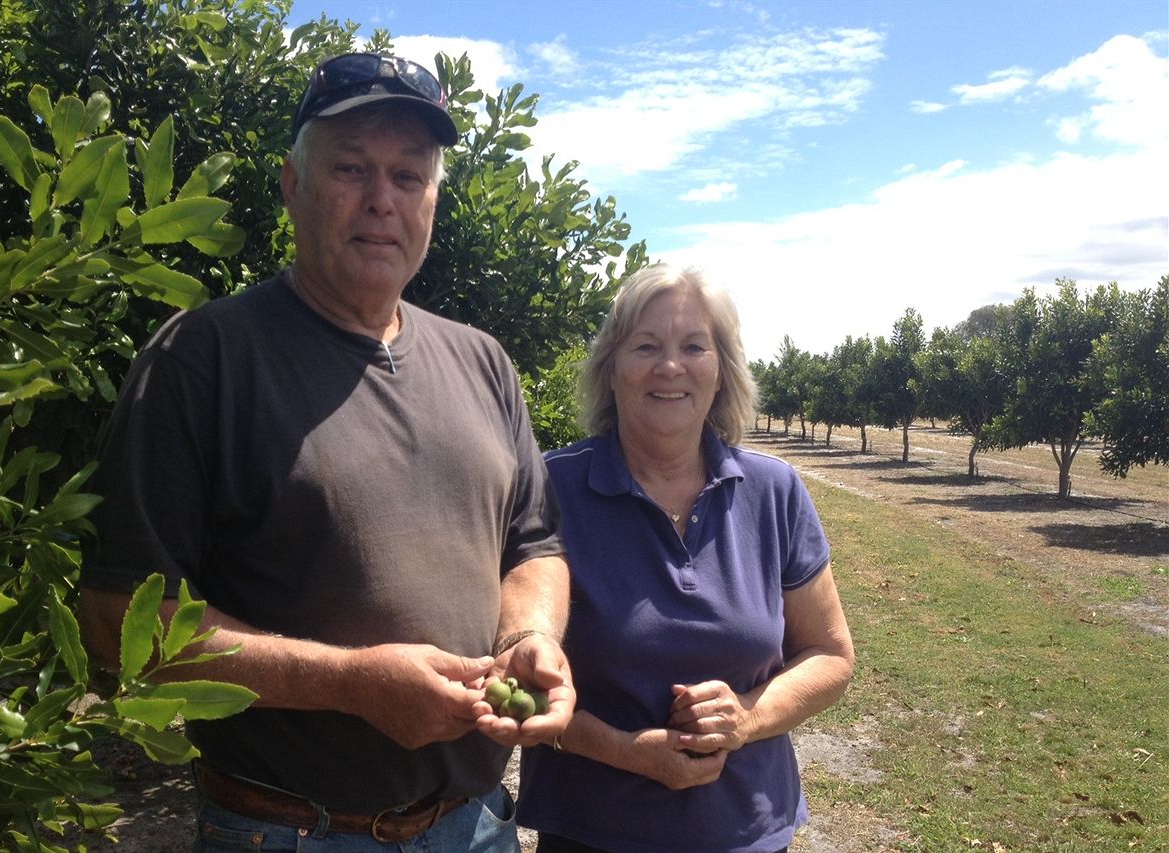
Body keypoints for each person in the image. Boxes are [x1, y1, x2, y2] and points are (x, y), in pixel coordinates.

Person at [78, 51, 574, 852]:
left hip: (473, 828)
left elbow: (534, 545)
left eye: (409, 177)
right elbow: (115, 622)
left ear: (433, 199)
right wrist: (348, 685)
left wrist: (529, 638)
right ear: (291, 183)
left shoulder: (483, 361)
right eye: (352, 167)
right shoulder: (201, 360)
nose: (382, 200)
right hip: (290, 831)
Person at [517, 265, 854, 853]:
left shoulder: (773, 492)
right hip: (591, 835)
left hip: (746, 833)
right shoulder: (549, 490)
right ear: (612, 370)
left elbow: (829, 654)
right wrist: (623, 751)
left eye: (693, 346)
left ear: (721, 370)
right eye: (645, 346)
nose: (669, 367)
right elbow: (513, 670)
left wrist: (747, 717)